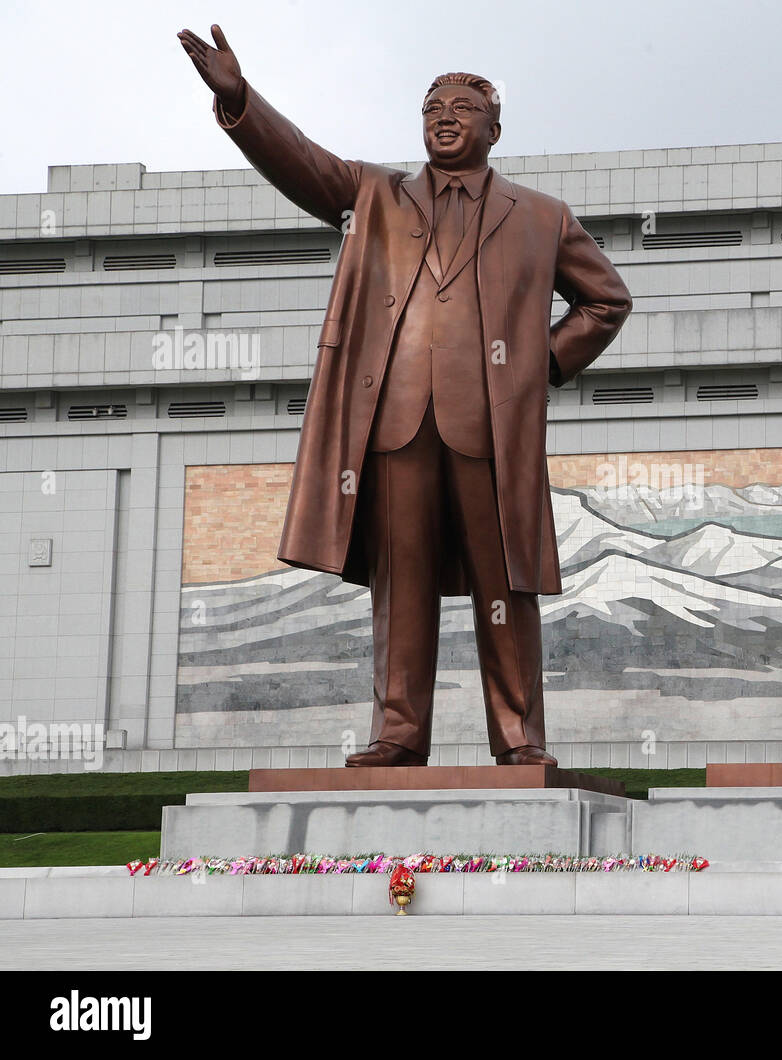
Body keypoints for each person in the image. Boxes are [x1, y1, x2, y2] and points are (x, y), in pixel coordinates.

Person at [177, 26, 631, 768]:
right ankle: (398, 732)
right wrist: (240, 102)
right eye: (430, 108)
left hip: (489, 430)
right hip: (393, 427)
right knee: (401, 585)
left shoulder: (541, 216)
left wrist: (536, 367)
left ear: (494, 127)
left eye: (459, 107)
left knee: (504, 584)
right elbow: (302, 164)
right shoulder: (375, 195)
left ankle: (519, 739)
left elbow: (606, 300)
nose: (443, 118)